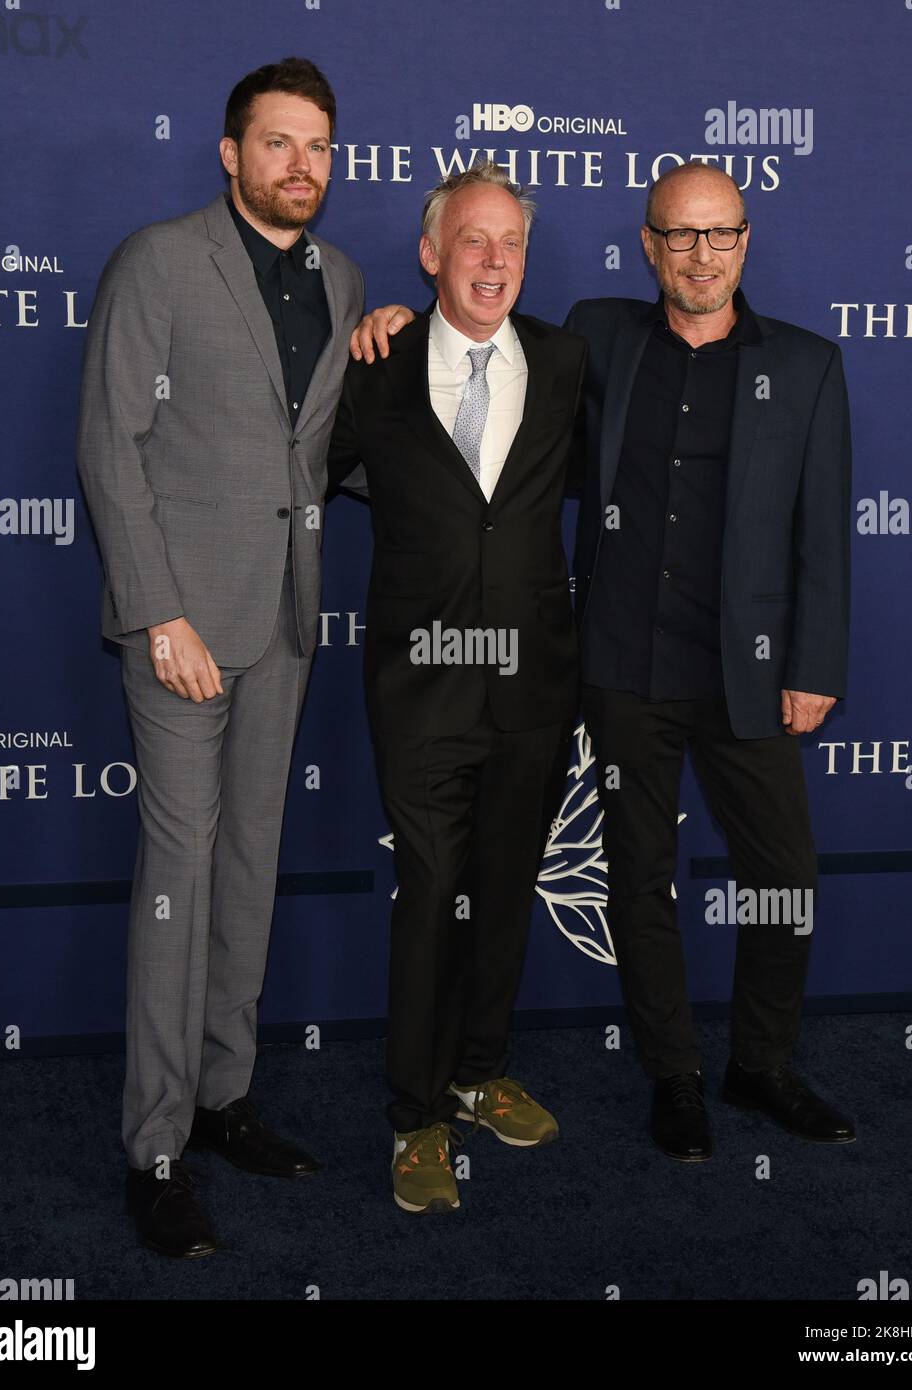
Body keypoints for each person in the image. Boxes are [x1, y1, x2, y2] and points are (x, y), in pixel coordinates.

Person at [352, 162, 854, 1164]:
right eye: (679, 235)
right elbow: (471, 360)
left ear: (744, 242)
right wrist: (395, 326)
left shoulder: (804, 366)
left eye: (719, 234)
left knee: (784, 877)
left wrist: (815, 663)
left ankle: (760, 1064)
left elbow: (823, 533)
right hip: (622, 665)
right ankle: (673, 1076)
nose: (700, 255)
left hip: (749, 671)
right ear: (647, 245)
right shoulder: (598, 339)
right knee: (638, 880)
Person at [76, 56, 364, 1257]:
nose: (301, 164)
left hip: (285, 619)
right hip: (182, 633)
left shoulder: (342, 280)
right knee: (178, 882)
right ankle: (154, 1150)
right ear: (231, 153)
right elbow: (111, 444)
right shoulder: (159, 260)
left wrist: (393, 346)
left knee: (249, 867)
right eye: (278, 142)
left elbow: (321, 451)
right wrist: (160, 614)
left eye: (319, 146)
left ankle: (222, 1095)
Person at [328, 161, 586, 1213]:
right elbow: (296, 478)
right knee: (432, 894)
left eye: (510, 243)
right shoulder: (375, 367)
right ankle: (416, 1114)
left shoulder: (565, 362)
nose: (493, 260)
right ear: (430, 254)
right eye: (471, 240)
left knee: (506, 886)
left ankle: (480, 1072)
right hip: (421, 687)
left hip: (532, 686)